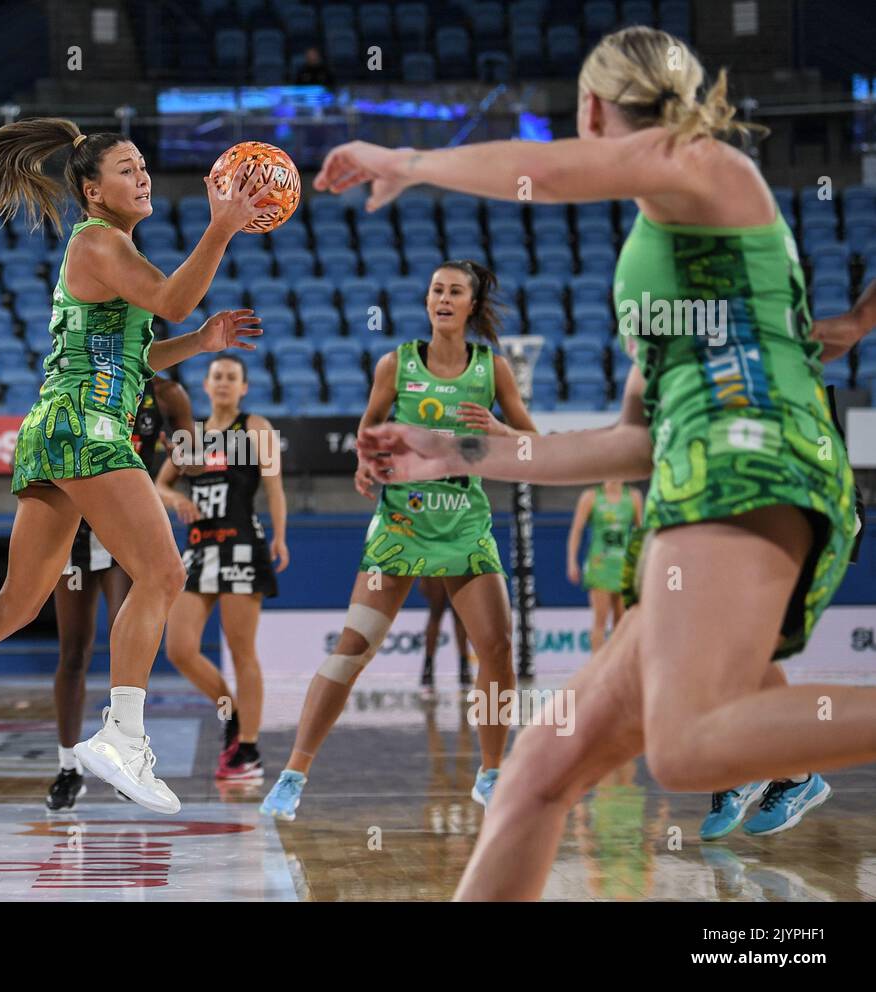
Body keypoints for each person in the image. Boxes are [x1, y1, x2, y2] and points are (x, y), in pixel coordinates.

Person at [336, 26, 869, 899]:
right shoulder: (656, 258)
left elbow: (540, 176)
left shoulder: (705, 165)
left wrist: (410, 159)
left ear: (589, 108)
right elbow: (631, 440)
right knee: (539, 769)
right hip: (703, 466)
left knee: (690, 746)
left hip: (752, 458)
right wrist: (454, 451)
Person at [0, 118, 270, 815]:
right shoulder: (101, 241)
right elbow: (170, 298)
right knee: (164, 572)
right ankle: (122, 735)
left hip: (55, 429)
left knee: (17, 603)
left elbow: (134, 351)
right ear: (91, 190)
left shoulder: (107, 248)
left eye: (143, 167)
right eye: (127, 169)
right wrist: (222, 226)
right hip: (88, 429)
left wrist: (198, 342)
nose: (142, 177)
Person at [258, 261, 538, 821]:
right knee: (352, 649)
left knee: (499, 645)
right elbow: (367, 433)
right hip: (400, 527)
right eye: (437, 289)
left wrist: (499, 431)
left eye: (455, 291)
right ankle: (292, 775)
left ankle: (490, 774)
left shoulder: (493, 371)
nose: (443, 297)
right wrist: (365, 465)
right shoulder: (396, 364)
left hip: (463, 524)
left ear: (471, 304)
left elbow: (533, 448)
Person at [47, 373, 192, 812]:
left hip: (124, 529)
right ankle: (68, 766)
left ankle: (120, 750)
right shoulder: (76, 378)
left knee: (122, 635)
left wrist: (188, 451)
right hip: (72, 525)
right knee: (73, 650)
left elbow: (191, 454)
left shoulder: (166, 394)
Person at [158, 354, 287, 781]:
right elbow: (159, 485)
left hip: (240, 546)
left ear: (244, 387)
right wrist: (178, 500)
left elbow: (274, 487)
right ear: (206, 386)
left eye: (233, 377)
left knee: (241, 650)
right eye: (218, 376)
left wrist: (281, 536)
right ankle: (231, 711)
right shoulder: (190, 435)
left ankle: (248, 750)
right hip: (198, 549)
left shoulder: (255, 427)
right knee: (179, 648)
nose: (225, 382)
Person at [566, 480, 642, 653]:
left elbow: (640, 532)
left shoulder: (633, 497)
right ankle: (597, 669)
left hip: (624, 565)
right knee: (600, 620)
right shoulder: (591, 496)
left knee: (622, 622)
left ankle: (617, 669)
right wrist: (572, 561)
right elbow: (576, 530)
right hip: (600, 565)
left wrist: (642, 563)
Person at [418, 576, 471, 691]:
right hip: (442, 564)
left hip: (443, 563)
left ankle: (429, 668)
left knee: (442, 615)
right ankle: (464, 668)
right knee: (439, 614)